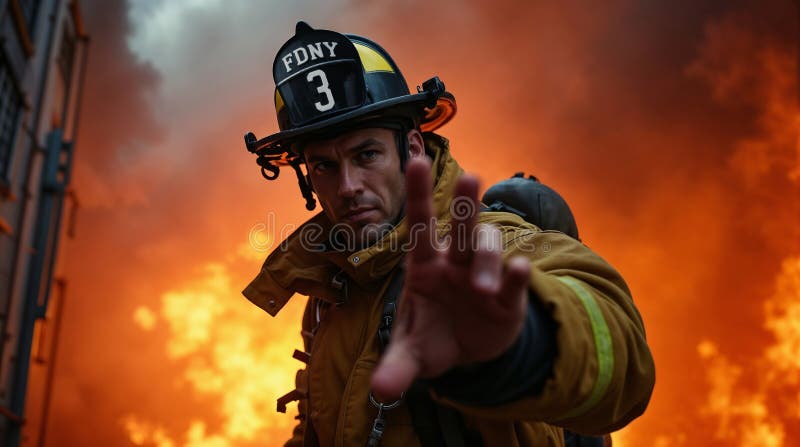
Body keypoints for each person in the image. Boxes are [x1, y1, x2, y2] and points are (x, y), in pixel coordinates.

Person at [242, 21, 655, 447]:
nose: (347, 187)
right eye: (324, 166)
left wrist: (521, 343)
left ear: (414, 150)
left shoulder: (486, 247)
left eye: (366, 154)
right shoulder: (331, 288)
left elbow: (624, 365)